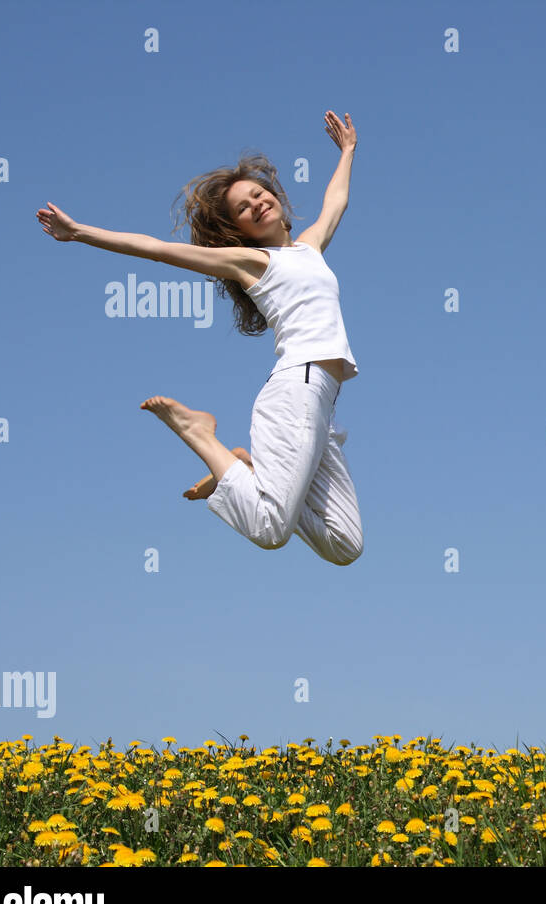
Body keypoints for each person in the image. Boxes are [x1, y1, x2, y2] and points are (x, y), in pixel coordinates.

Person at [36, 111, 364, 565]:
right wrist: (80, 233)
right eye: (242, 209)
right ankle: (199, 432)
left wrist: (347, 150)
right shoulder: (253, 264)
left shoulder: (309, 248)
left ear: (275, 197)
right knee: (270, 529)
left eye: (258, 193)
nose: (256, 204)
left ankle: (244, 467)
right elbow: (158, 249)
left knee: (344, 545)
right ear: (239, 231)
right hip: (296, 389)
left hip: (322, 403)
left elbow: (336, 202)